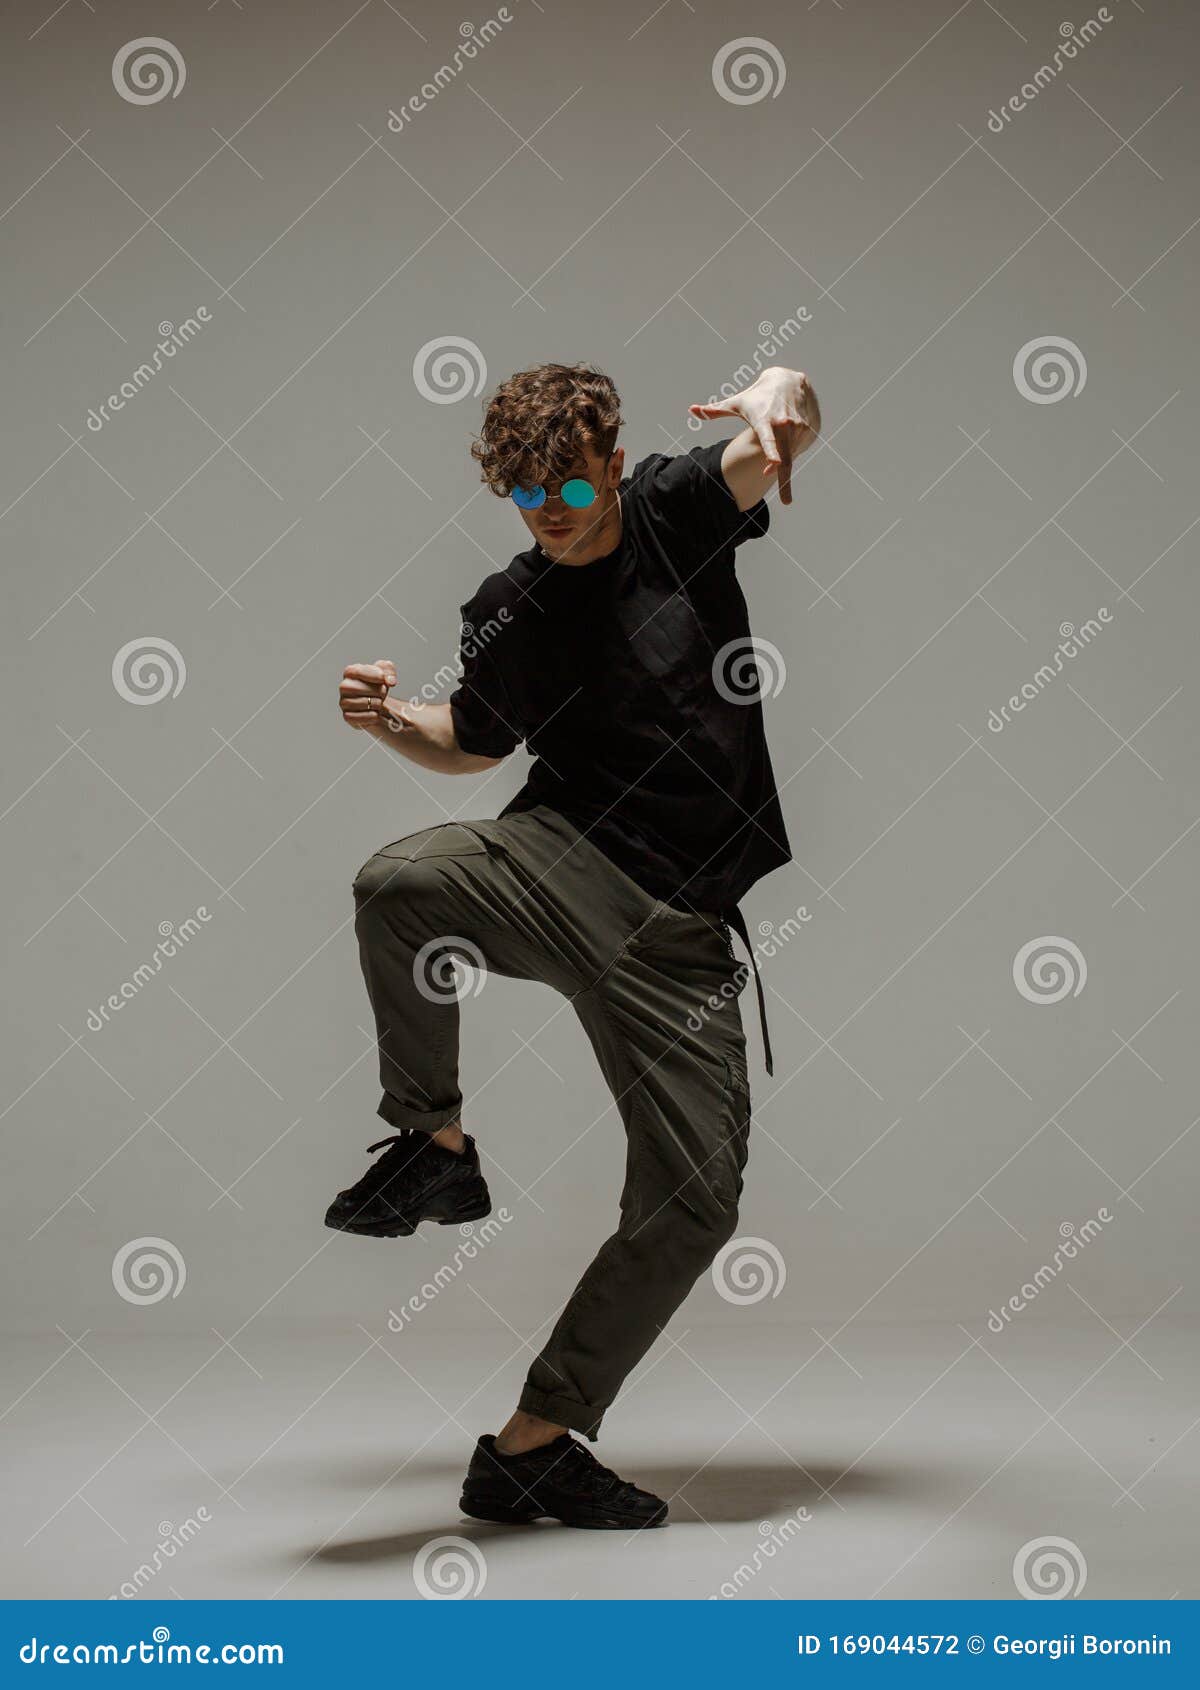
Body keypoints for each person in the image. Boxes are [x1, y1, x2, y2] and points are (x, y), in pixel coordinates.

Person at [328, 361, 820, 1529]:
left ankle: (533, 1449)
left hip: (681, 934)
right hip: (564, 866)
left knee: (695, 1204)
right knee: (397, 882)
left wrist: (781, 390)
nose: (548, 505)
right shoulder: (512, 604)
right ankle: (434, 1144)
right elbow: (474, 742)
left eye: (565, 480)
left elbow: (786, 424)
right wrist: (393, 719)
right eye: (523, 491)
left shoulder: (673, 510)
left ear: (609, 461)